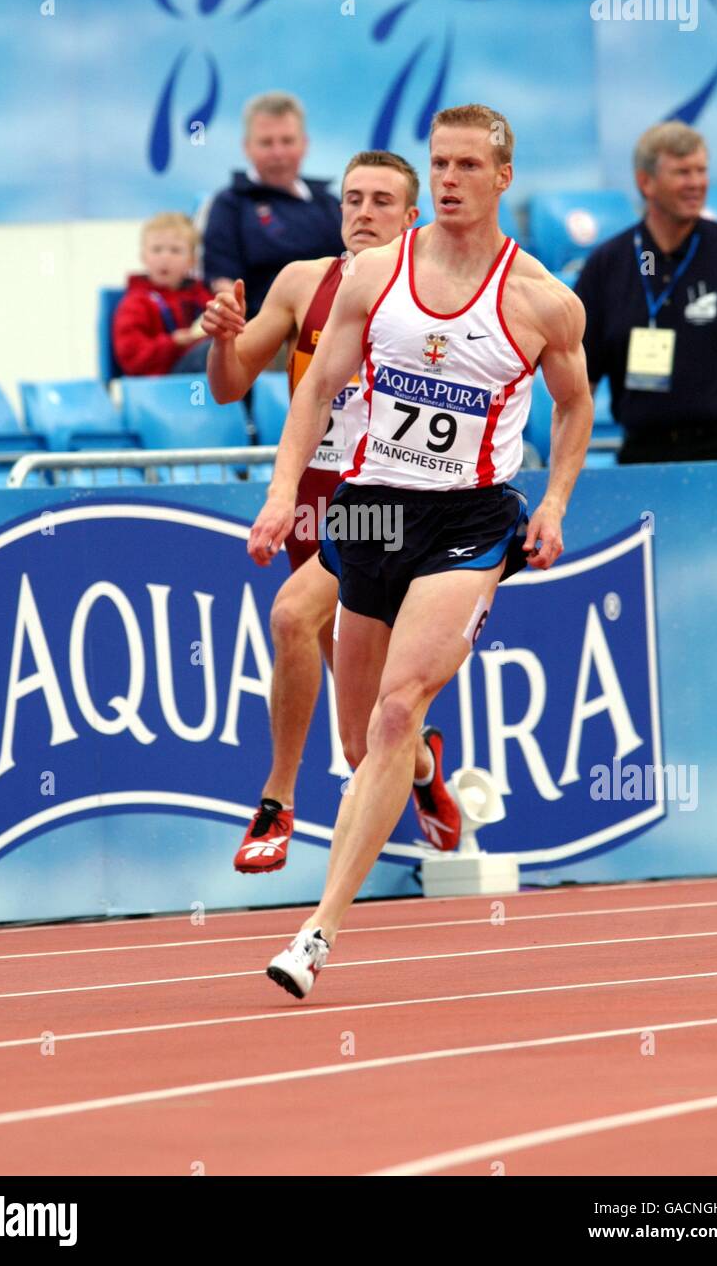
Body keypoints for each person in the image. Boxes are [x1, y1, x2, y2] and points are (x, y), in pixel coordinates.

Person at [248, 103, 592, 998]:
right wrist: (284, 496)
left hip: (469, 521)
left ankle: (316, 934)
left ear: (502, 177)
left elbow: (574, 405)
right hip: (369, 512)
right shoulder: (374, 274)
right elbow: (319, 387)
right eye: (438, 164)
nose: (447, 180)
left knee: (396, 711)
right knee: (365, 737)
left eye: (467, 166)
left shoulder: (540, 300)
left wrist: (551, 502)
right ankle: (428, 774)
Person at [204, 151, 464, 872]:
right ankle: (423, 768)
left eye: (383, 201)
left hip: (383, 504)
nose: (363, 212)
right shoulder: (300, 283)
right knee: (365, 738)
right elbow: (229, 389)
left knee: (289, 614)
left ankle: (275, 802)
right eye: (352, 198)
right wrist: (224, 339)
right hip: (318, 501)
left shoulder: (433, 298)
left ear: (412, 218)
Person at [575, 120, 717, 463]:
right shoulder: (607, 265)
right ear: (645, 182)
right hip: (647, 453)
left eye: (701, 171)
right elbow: (580, 380)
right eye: (682, 172)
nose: (696, 183)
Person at [198, 92, 344, 320]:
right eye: (266, 142)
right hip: (260, 327)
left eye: (287, 141)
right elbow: (221, 280)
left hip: (333, 326)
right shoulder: (230, 204)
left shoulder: (330, 203)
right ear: (247, 147)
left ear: (304, 144)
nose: (278, 153)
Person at [113, 213, 212, 376]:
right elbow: (132, 358)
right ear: (144, 257)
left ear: (192, 261)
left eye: (175, 250)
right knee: (212, 353)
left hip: (200, 376)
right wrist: (173, 343)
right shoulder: (135, 303)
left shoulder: (202, 296)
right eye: (157, 249)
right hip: (160, 381)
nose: (165, 257)